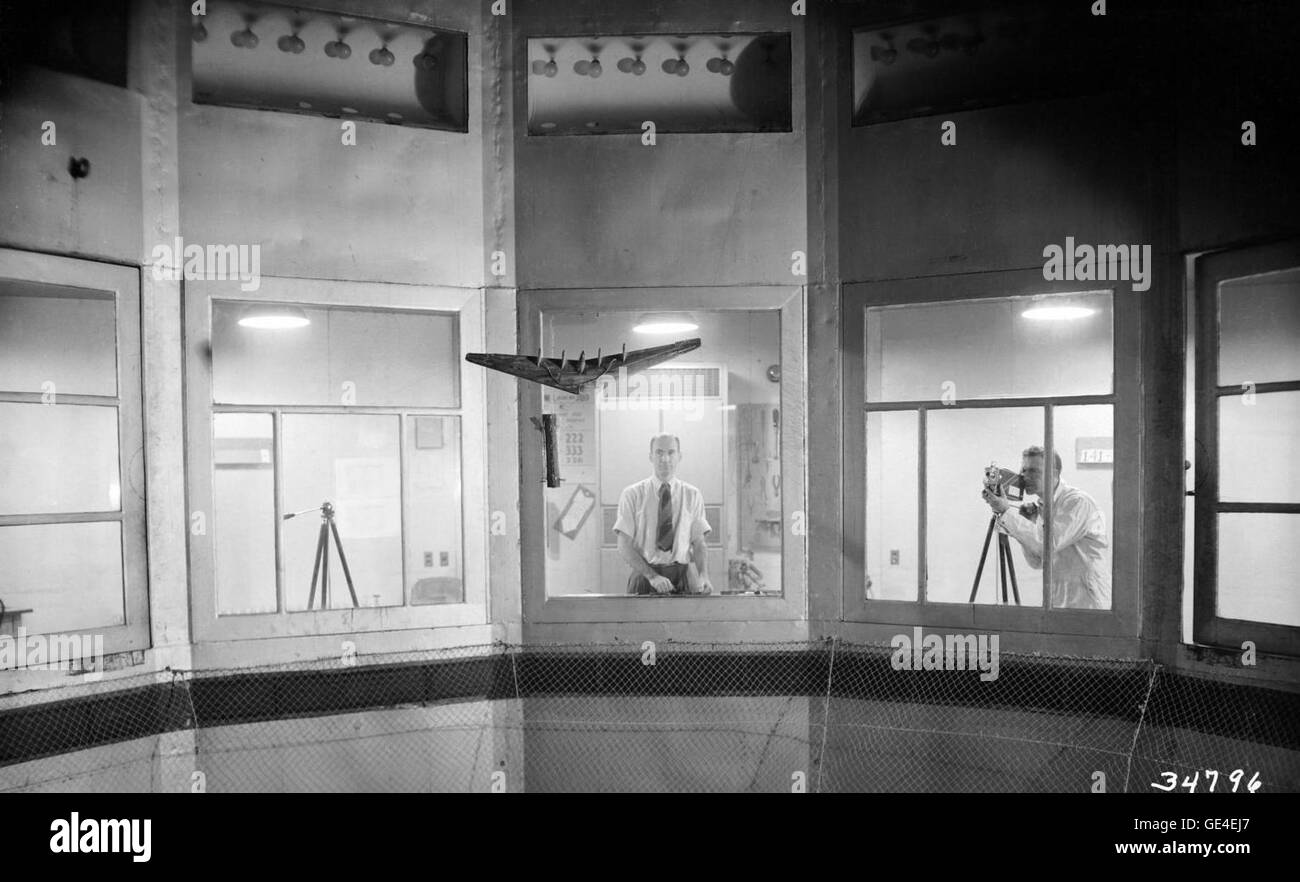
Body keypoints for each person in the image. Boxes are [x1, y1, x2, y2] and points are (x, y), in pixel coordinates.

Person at [981, 445, 1111, 610]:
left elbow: (1045, 545)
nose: (1025, 476)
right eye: (1024, 470)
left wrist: (1007, 513)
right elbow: (1037, 561)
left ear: (1054, 474)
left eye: (1033, 471)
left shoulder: (1077, 502)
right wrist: (1027, 522)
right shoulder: (1043, 507)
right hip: (1059, 603)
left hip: (1090, 604)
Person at [614, 433, 713, 595]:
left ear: (679, 456)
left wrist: (704, 575)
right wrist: (652, 576)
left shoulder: (692, 495)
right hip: (645, 576)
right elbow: (624, 545)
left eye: (671, 452)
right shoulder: (632, 494)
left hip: (683, 576)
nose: (665, 459)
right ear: (650, 457)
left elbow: (699, 543)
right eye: (659, 453)